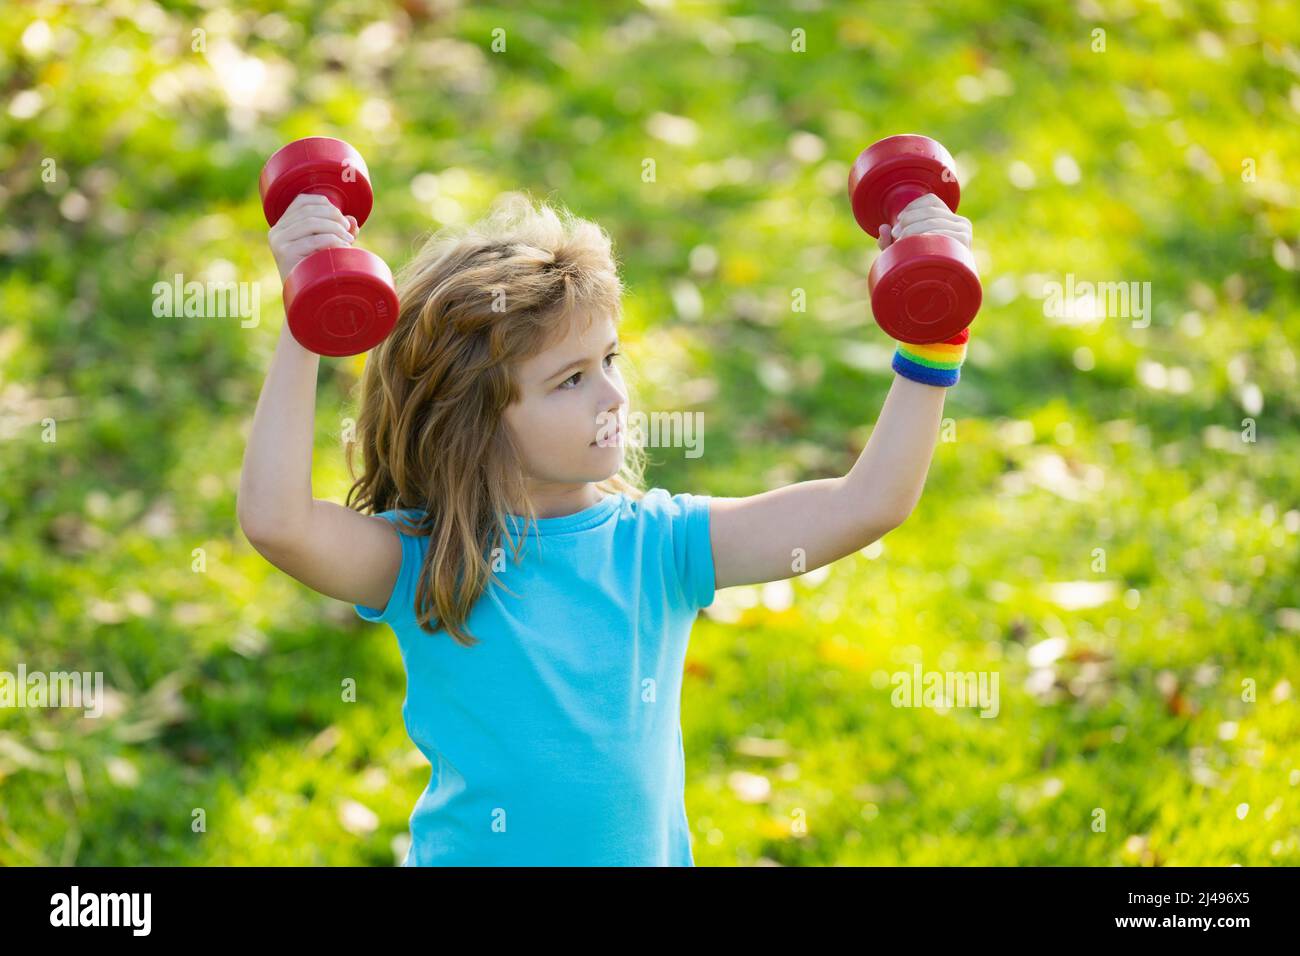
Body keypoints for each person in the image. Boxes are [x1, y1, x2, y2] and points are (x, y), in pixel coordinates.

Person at [236, 189, 973, 866]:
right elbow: (278, 523)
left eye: (611, 358)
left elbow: (867, 502)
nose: (615, 392)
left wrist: (933, 338)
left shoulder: (662, 548)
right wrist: (308, 321)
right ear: (474, 422)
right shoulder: (426, 561)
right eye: (572, 379)